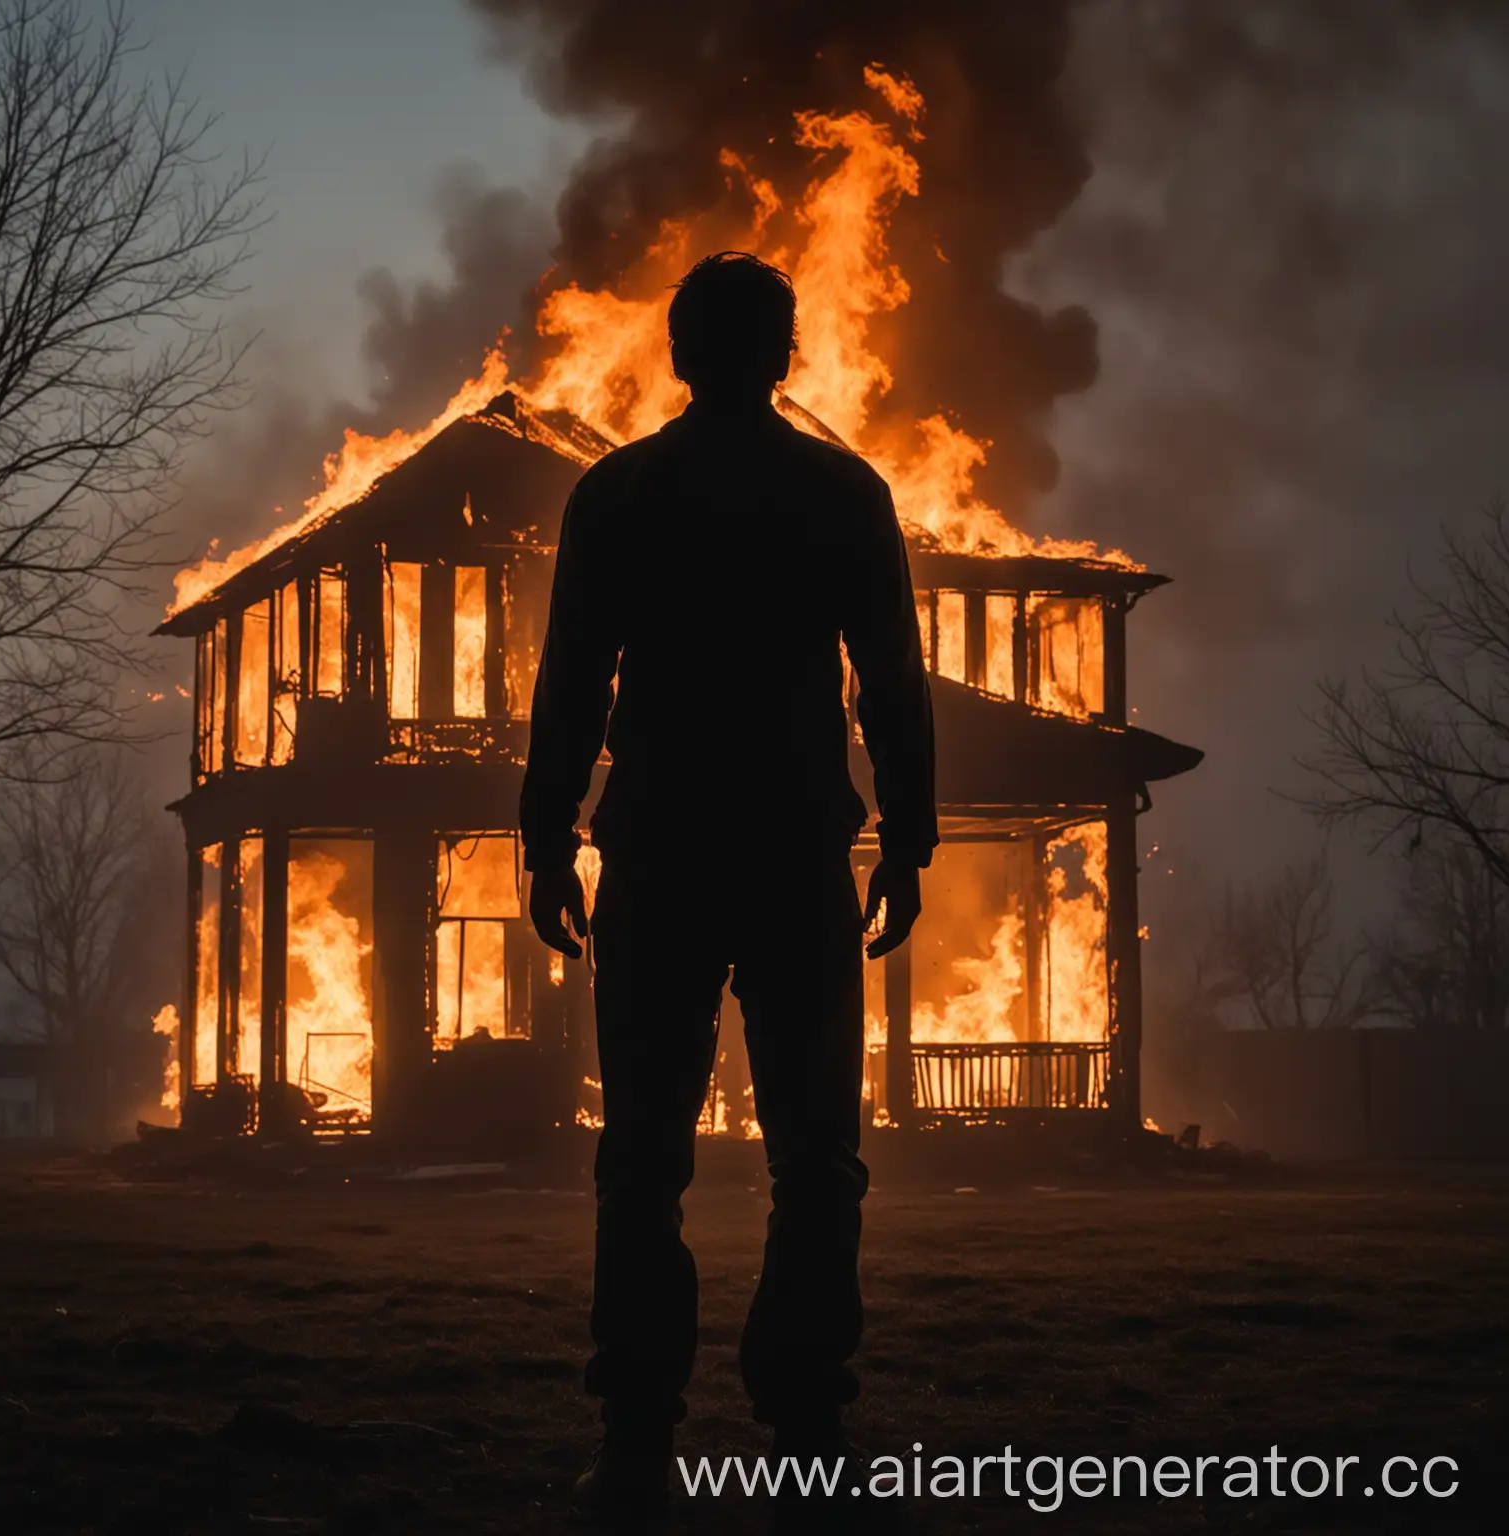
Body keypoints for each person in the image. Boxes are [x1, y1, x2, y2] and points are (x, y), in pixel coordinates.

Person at [519, 251, 937, 1528]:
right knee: (819, 1156)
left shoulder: (621, 493)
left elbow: (574, 680)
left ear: (682, 356)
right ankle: (807, 1428)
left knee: (641, 1156)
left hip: (658, 858)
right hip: (798, 857)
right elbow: (891, 681)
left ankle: (639, 1440)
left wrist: (548, 840)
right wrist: (907, 842)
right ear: (785, 355)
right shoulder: (841, 490)